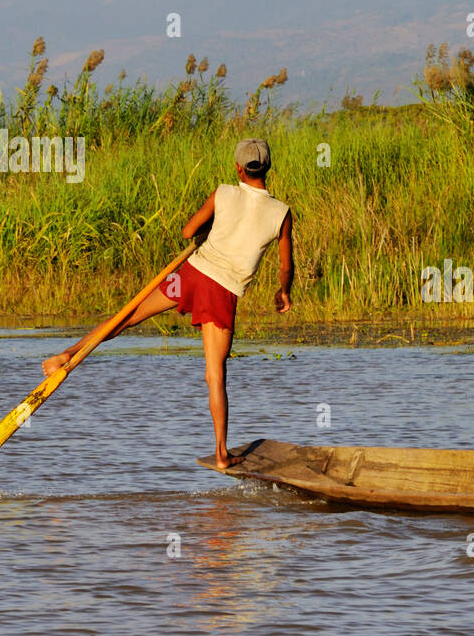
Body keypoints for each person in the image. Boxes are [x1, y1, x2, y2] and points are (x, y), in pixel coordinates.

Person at [41, 138, 294, 469]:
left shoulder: (223, 193)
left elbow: (189, 230)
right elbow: (285, 264)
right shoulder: (281, 213)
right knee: (215, 374)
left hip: (191, 274)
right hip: (221, 292)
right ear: (269, 168)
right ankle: (221, 454)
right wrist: (283, 291)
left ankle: (67, 354)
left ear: (237, 168)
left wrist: (211, 225)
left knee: (128, 317)